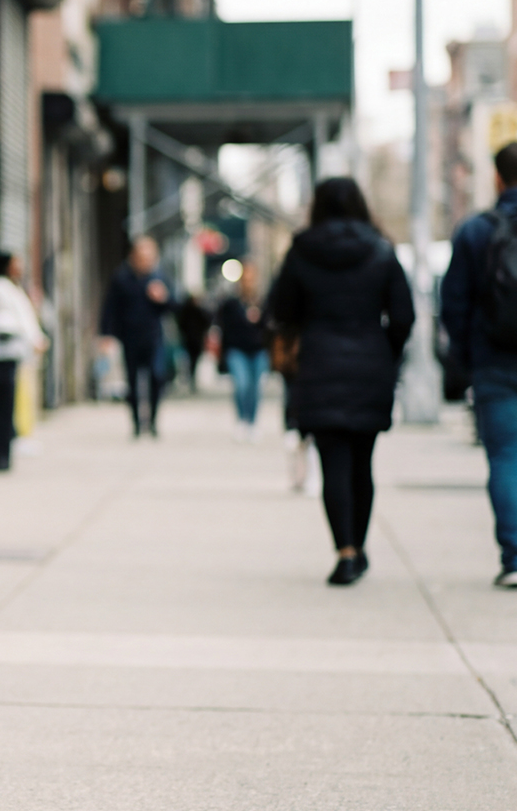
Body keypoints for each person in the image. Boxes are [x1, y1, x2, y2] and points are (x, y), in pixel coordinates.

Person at [268, 178, 414, 586]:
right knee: (362, 463)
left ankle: (345, 552)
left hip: (319, 363)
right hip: (370, 363)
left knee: (332, 461)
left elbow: (281, 309)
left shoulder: (302, 250)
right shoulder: (381, 250)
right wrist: (386, 352)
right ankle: (359, 547)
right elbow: (403, 315)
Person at [440, 141, 517, 587]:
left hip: (494, 360)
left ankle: (514, 556)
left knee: (505, 457)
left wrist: (466, 359)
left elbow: (454, 304)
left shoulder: (475, 231)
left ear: (498, 178)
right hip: (491, 359)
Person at [100, 236, 173, 437]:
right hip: (129, 337)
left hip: (154, 337)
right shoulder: (121, 278)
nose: (145, 261)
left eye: (149, 257)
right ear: (133, 257)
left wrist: (163, 298)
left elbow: (174, 306)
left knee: (156, 377)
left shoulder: (159, 277)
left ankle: (153, 421)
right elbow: (110, 308)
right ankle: (136, 424)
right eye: (142, 257)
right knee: (132, 382)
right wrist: (106, 334)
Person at [0, 251, 48, 442]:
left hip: (26, 351)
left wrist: (38, 338)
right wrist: (31, 340)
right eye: (16, 263)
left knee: (26, 395)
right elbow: (7, 320)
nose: (20, 268)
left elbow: (26, 318)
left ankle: (24, 433)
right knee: (18, 397)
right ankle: (16, 435)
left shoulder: (15, 287)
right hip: (14, 352)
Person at [214, 262, 268, 440]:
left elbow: (269, 325)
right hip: (237, 349)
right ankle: (241, 420)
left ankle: (252, 422)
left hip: (258, 350)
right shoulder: (231, 303)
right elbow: (222, 326)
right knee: (241, 384)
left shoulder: (262, 302)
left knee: (255, 387)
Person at [175, 294, 212, 394]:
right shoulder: (188, 312)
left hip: (195, 340)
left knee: (193, 360)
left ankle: (192, 377)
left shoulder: (197, 311)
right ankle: (191, 377)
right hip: (191, 340)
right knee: (191, 360)